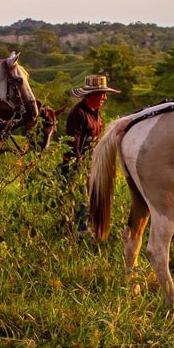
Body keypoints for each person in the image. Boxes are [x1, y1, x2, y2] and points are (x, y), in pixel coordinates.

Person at [59, 75, 120, 235]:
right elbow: (73, 145)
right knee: (81, 202)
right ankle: (80, 235)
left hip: (90, 165)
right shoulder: (78, 114)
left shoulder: (96, 113)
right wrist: (82, 170)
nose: (104, 98)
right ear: (90, 95)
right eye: (101, 94)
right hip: (77, 166)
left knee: (91, 201)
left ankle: (88, 231)